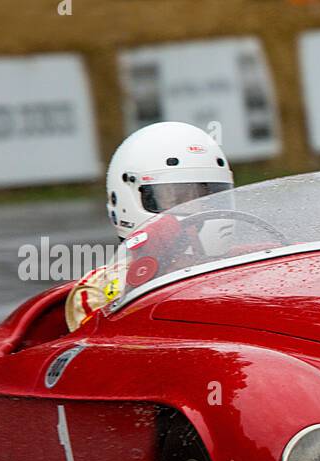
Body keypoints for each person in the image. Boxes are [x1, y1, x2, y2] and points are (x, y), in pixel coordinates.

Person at [65, 122, 234, 331]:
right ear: (127, 199)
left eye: (211, 197)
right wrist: (143, 278)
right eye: (180, 198)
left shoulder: (238, 264)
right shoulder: (101, 286)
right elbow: (103, 347)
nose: (199, 209)